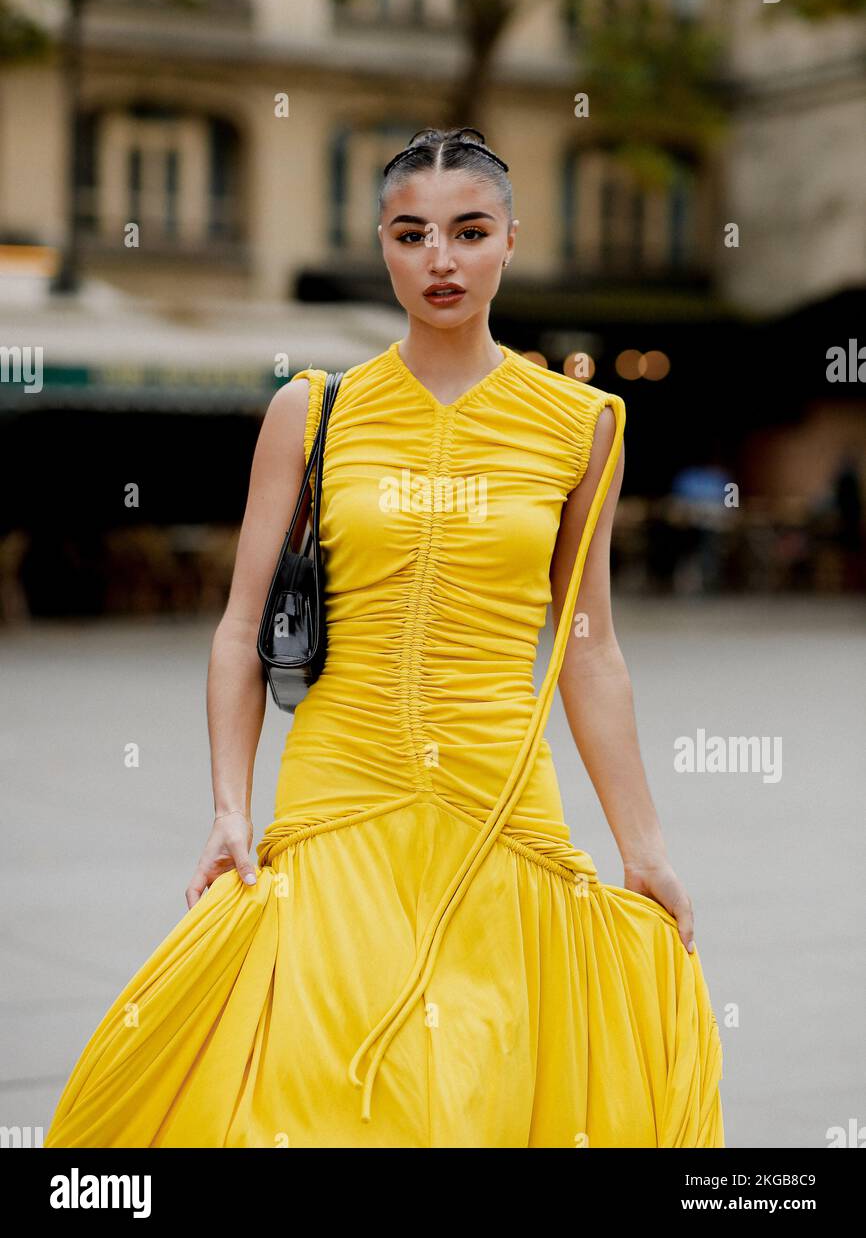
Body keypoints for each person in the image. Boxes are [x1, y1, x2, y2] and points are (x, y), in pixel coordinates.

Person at [45, 126, 724, 1148]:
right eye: (411, 234)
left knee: (472, 1088)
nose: (439, 259)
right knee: (324, 1091)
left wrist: (646, 849)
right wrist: (230, 806)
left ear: (507, 240)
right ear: (380, 244)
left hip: (498, 797)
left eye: (467, 231)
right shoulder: (312, 411)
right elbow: (238, 630)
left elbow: (588, 647)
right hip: (336, 788)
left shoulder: (582, 425)